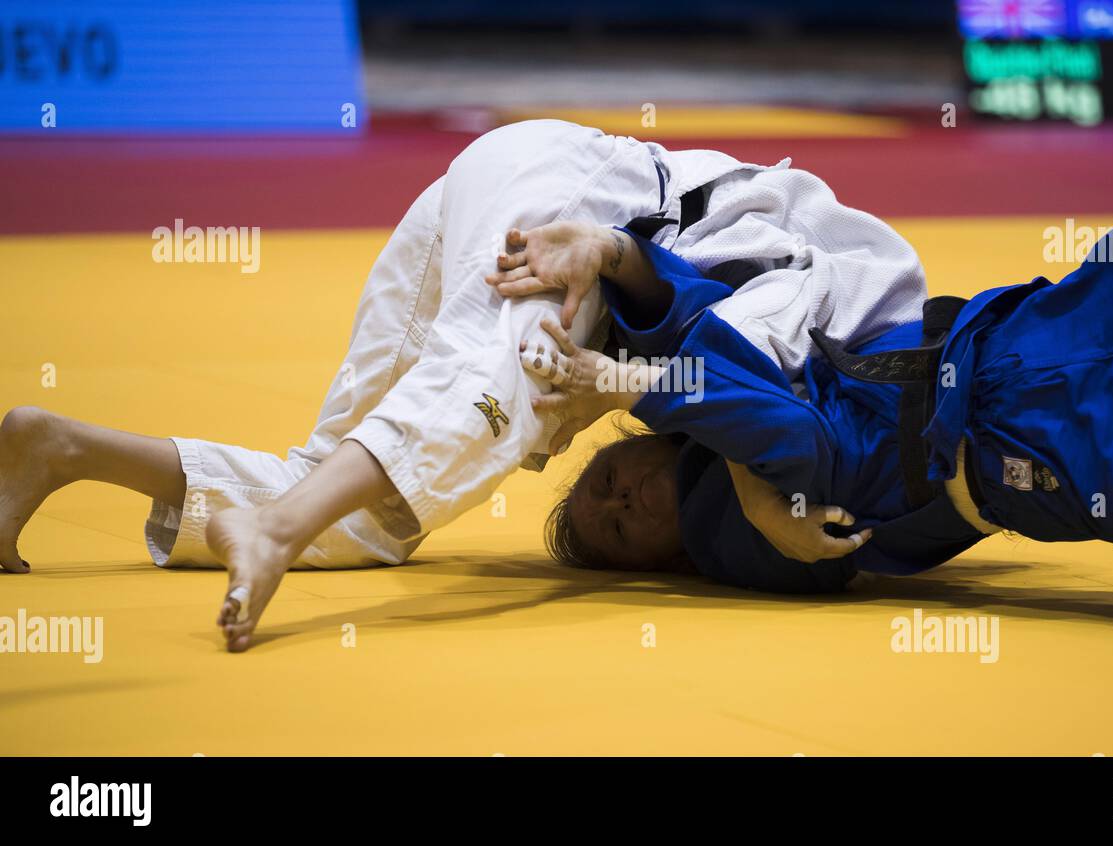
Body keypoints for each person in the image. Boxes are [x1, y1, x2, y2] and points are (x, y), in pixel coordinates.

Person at [0, 119, 925, 651]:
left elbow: (719, 383)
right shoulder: (859, 328)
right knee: (517, 379)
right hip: (582, 195)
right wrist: (765, 492)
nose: (616, 489)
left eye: (606, 513)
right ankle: (273, 531)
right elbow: (741, 367)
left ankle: (61, 448)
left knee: (361, 516)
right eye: (625, 497)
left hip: (508, 194)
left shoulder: (751, 389)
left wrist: (641, 398)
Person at [527, 97, 1113, 592]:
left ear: (631, 447)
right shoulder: (746, 546)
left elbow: (706, 320)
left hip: (1059, 322)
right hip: (1051, 450)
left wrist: (615, 254)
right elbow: (796, 441)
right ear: (666, 563)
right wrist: (634, 387)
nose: (622, 498)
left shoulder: (706, 410)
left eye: (607, 483)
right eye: (621, 527)